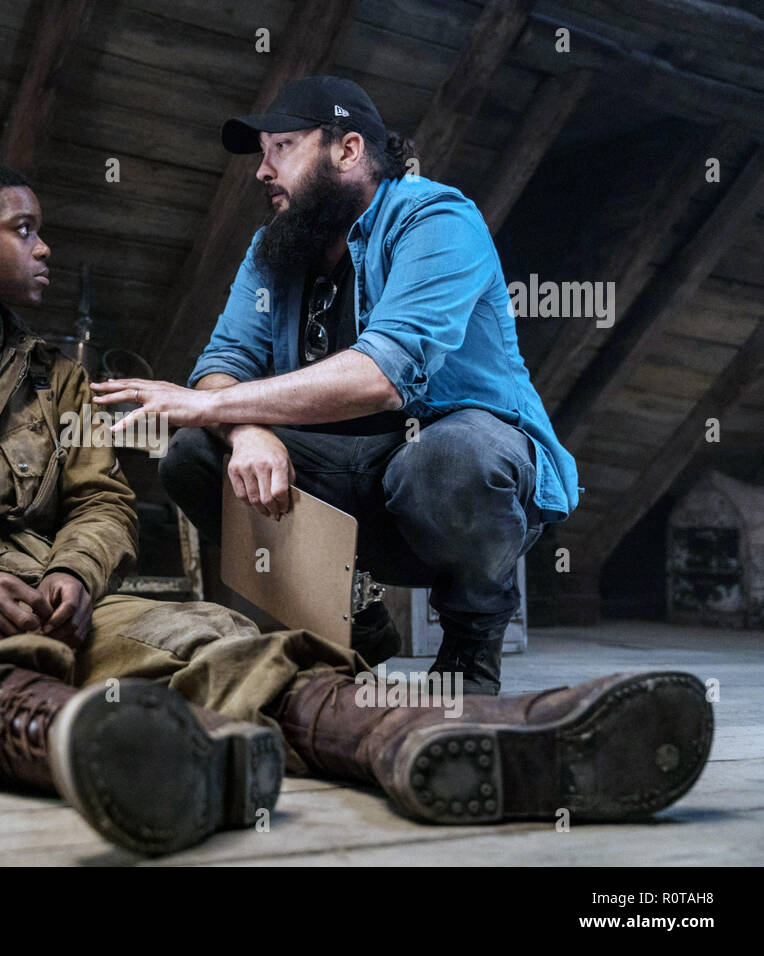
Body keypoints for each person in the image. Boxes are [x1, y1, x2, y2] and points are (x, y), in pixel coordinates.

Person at [0, 158, 711, 857]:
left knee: (206, 627)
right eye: (25, 230)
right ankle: (63, 739)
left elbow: (100, 506)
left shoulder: (57, 380)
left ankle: (408, 733)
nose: (45, 248)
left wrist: (70, 575)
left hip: (37, 595)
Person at [96, 76, 574, 696]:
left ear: (348, 150)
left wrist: (211, 405)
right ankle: (352, 621)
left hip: (447, 477)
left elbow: (382, 374)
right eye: (261, 154)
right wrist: (244, 429)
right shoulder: (273, 247)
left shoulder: (436, 216)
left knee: (452, 459)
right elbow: (224, 361)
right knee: (193, 456)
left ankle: (470, 652)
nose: (263, 171)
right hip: (341, 479)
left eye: (283, 148)